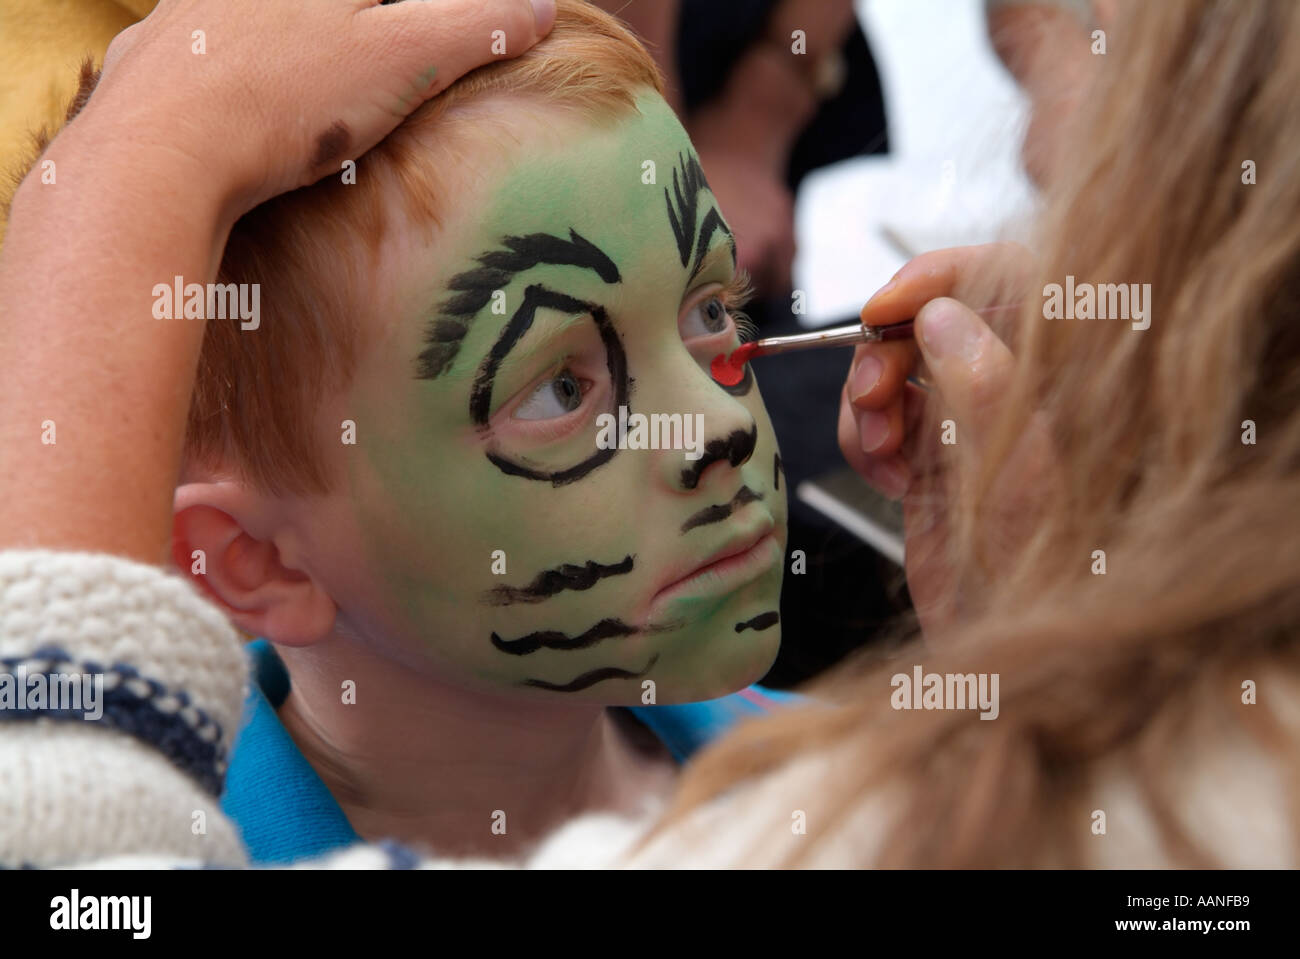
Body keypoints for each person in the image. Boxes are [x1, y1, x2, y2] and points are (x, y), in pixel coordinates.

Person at [0, 0, 801, 867]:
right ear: (256, 561)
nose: (720, 428)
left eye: (709, 311)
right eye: (560, 390)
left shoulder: (828, 788)